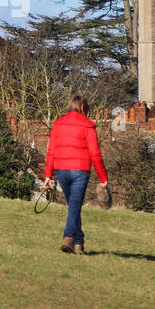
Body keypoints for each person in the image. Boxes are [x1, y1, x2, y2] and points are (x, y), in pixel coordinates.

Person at [42, 95, 109, 255]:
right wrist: (103, 178)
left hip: (62, 169)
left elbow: (52, 150)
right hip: (80, 170)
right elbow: (95, 153)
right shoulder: (88, 126)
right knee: (74, 205)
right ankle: (68, 238)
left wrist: (48, 175)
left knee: (74, 205)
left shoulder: (58, 124)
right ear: (83, 108)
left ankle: (79, 241)